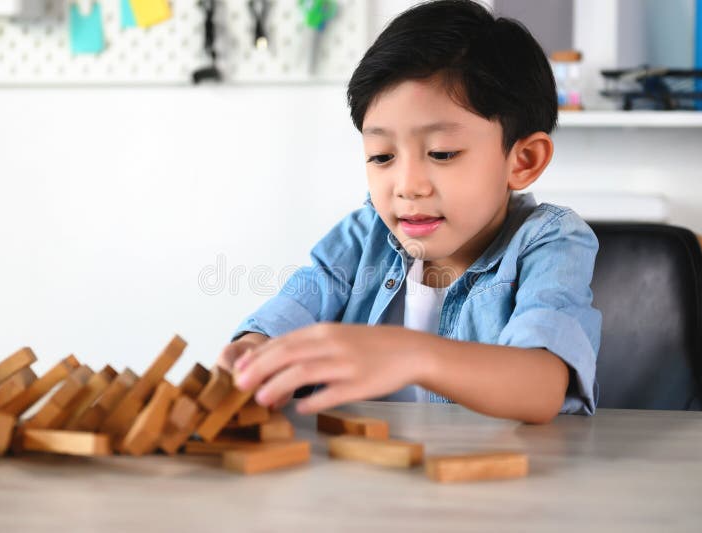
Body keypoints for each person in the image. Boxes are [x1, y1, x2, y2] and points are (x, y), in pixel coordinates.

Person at [215, 0, 601, 424]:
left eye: (441, 152)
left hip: (505, 483)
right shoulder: (365, 235)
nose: (407, 186)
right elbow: (293, 309)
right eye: (382, 156)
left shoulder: (551, 242)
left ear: (523, 160)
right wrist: (253, 348)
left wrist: (412, 354)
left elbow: (541, 387)